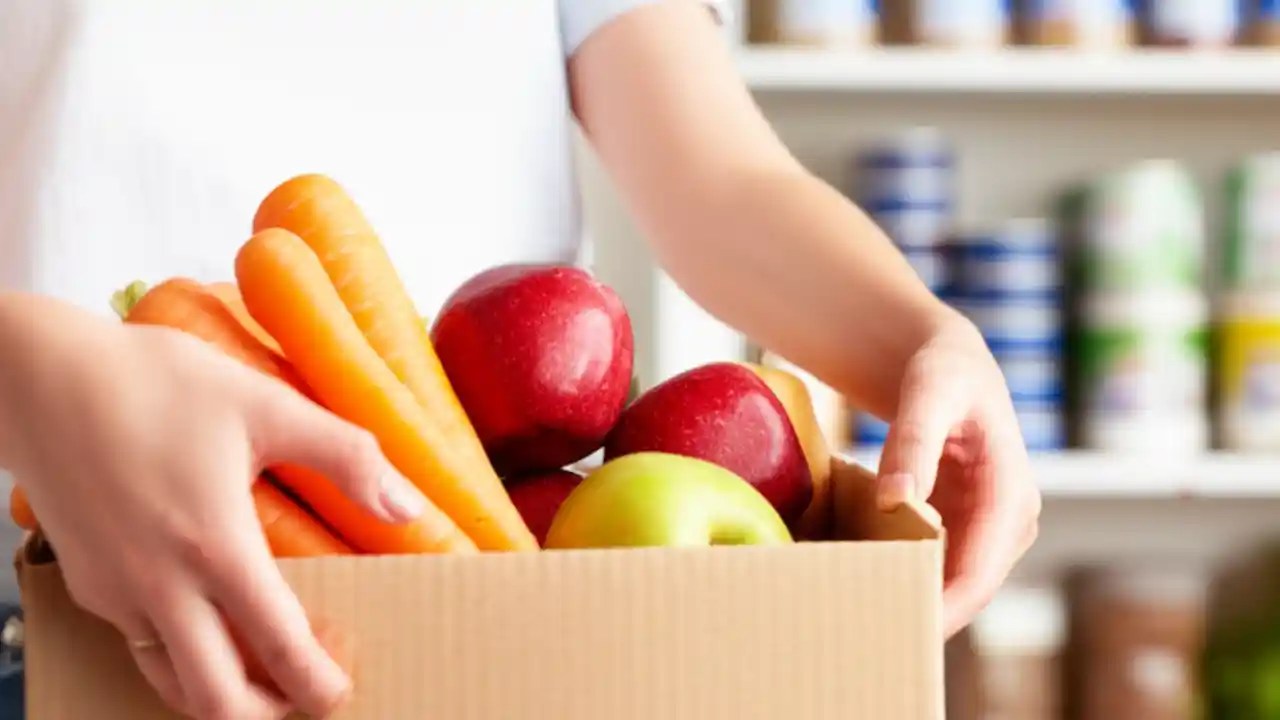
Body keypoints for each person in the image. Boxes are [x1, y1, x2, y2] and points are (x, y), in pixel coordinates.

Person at [0, 1, 1040, 718]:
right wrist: (30, 372)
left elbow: (717, 180)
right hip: (59, 620)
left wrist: (922, 339)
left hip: (517, 605)